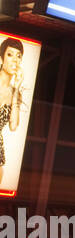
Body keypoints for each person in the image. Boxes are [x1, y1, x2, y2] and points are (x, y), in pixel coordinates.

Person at [0, 37, 27, 176]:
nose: (15, 60)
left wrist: (16, 89)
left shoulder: (14, 93)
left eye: (19, 56)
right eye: (10, 55)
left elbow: (13, 126)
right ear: (2, 57)